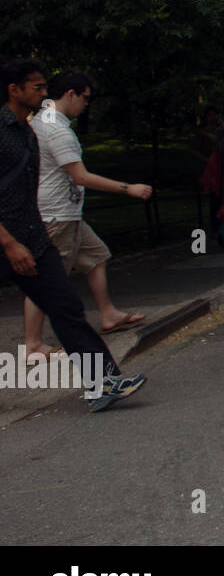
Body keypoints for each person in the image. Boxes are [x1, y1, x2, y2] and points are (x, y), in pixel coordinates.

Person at [0, 59, 145, 410]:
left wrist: (33, 239)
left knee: (66, 308)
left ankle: (102, 383)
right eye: (36, 87)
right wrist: (8, 242)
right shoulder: (3, 133)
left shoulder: (30, 132)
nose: (43, 92)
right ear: (14, 90)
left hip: (33, 237)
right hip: (7, 241)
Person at [22, 71, 154, 357]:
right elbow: (80, 176)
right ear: (70, 94)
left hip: (65, 213)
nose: (86, 105)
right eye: (84, 98)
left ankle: (108, 314)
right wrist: (127, 188)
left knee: (96, 256)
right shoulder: (56, 130)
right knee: (47, 279)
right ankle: (33, 344)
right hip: (56, 215)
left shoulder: (44, 119)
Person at [190, 106, 224, 233]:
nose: (212, 118)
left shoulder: (220, 132)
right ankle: (216, 226)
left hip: (223, 169)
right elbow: (194, 150)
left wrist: (222, 124)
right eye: (210, 115)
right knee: (215, 198)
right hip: (210, 171)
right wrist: (207, 160)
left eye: (214, 115)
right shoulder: (202, 133)